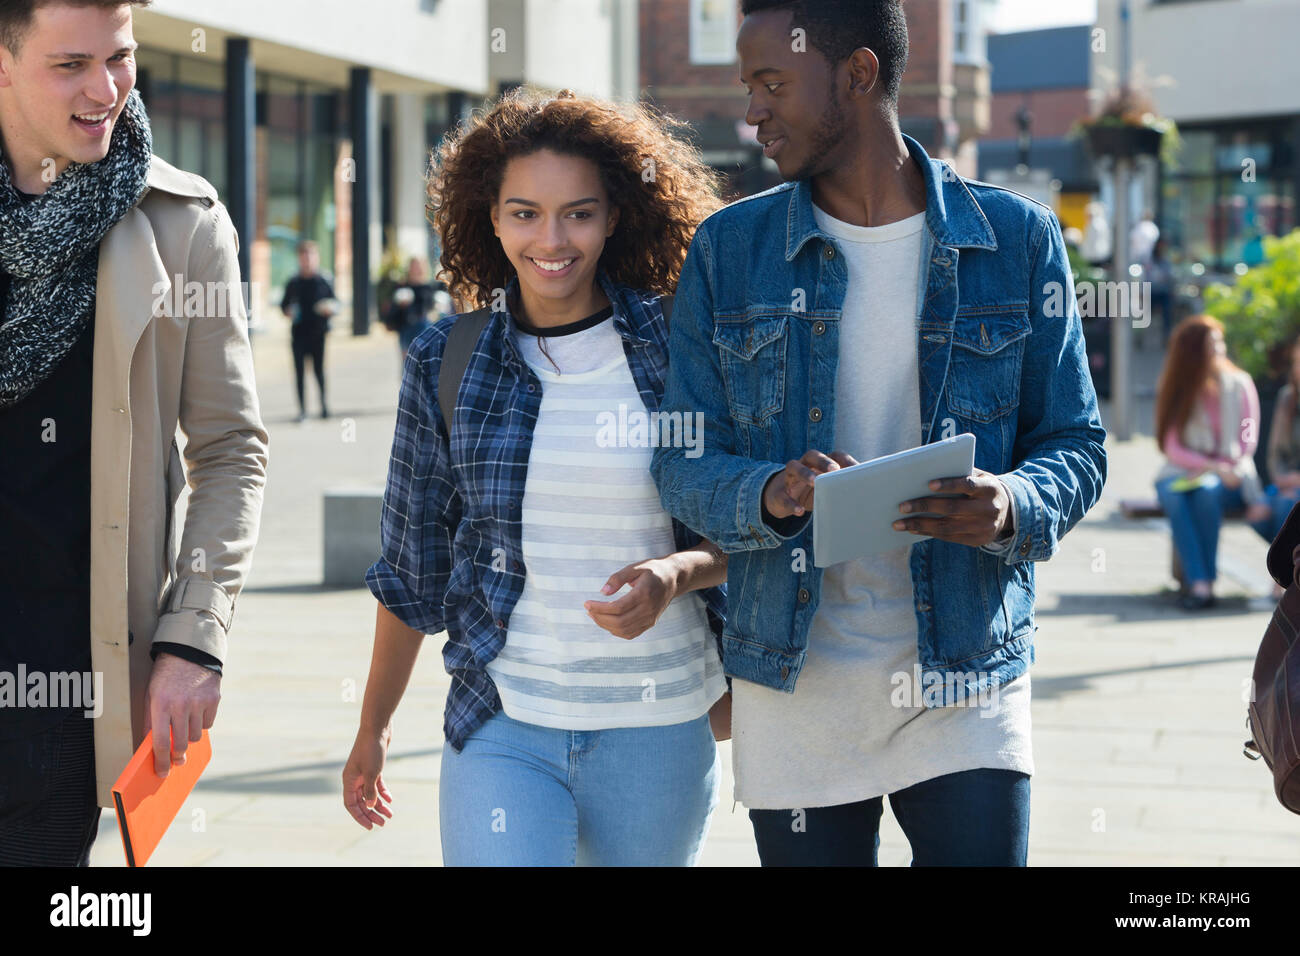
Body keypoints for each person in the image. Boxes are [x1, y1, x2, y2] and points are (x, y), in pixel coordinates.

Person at [650, 0, 1107, 866]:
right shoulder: (727, 251)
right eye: (749, 85)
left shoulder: (1015, 238)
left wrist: (1011, 501)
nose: (753, 111)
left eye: (773, 84)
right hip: (794, 677)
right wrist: (769, 494)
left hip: (966, 669)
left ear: (858, 74)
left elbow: (1076, 440)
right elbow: (679, 457)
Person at [343, 88, 732, 866]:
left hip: (658, 725)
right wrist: (372, 730)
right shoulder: (447, 360)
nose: (551, 239)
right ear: (489, 216)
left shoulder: (683, 341)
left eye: (578, 213)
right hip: (504, 722)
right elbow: (411, 570)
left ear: (614, 215)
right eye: (524, 213)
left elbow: (751, 522)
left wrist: (673, 573)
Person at [0, 0, 267, 866]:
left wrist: (196, 635)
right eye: (70, 64)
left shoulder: (183, 226)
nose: (105, 89)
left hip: (67, 688)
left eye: (120, 58)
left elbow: (231, 449)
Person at [1154, 315, 1273, 610]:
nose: (1219, 349)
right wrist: (1205, 465)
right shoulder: (1180, 388)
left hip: (1231, 472)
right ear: (1193, 351)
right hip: (1183, 470)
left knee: (1206, 494)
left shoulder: (1240, 384)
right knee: (1175, 496)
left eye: (1220, 342)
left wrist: (1225, 467)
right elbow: (1171, 445)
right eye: (1211, 344)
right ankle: (1200, 583)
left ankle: (1204, 582)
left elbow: (1248, 438)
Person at [280, 239, 337, 421]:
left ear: (316, 258)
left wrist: (329, 309)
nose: (307, 260)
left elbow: (335, 303)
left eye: (311, 256)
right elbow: (284, 305)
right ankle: (302, 410)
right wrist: (288, 312)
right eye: (304, 257)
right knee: (299, 373)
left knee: (319, 371)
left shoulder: (324, 280)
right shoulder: (293, 282)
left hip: (318, 333)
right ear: (299, 259)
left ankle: (323, 406)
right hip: (298, 334)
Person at [382, 256, 440, 357]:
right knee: (408, 363)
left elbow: (431, 310)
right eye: (415, 267)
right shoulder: (402, 287)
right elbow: (394, 312)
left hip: (424, 330)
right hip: (406, 330)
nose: (417, 270)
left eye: (420, 266)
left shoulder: (429, 288)